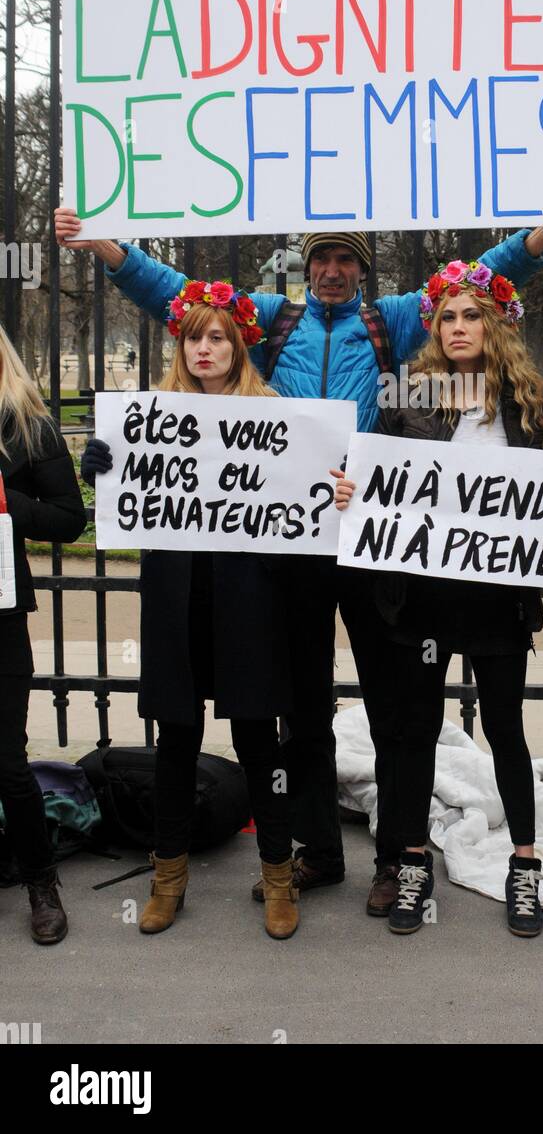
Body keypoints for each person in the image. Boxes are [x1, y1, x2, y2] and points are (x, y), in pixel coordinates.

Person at [55, 202, 543, 917]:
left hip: (371, 536)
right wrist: (106, 247)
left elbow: (480, 278)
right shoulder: (269, 319)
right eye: (321, 258)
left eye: (346, 259)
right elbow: (177, 297)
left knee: (390, 707)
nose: (332, 270)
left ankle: (396, 859)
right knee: (301, 709)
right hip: (288, 544)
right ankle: (316, 852)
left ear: (361, 270)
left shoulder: (392, 320)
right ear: (305, 265)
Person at [332, 259, 543, 937]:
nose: (458, 327)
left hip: (498, 598)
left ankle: (523, 862)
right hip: (422, 599)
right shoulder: (409, 398)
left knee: (504, 730)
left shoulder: (528, 405)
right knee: (413, 731)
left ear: (494, 325)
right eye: (447, 317)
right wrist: (351, 491)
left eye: (471, 316)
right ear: (434, 328)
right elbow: (378, 478)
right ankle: (411, 861)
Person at [81, 282, 298, 940]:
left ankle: (279, 877)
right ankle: (167, 877)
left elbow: (301, 501)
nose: (204, 348)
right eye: (194, 337)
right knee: (175, 739)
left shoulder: (272, 415)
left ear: (238, 346)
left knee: (258, 740)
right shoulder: (152, 415)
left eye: (217, 337)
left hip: (247, 597)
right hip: (176, 597)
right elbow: (126, 502)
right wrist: (103, 468)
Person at [0, 323, 86, 943]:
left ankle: (40, 881)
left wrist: (6, 500)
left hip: (1, 611)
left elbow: (68, 519)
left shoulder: (28, 425)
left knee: (7, 762)